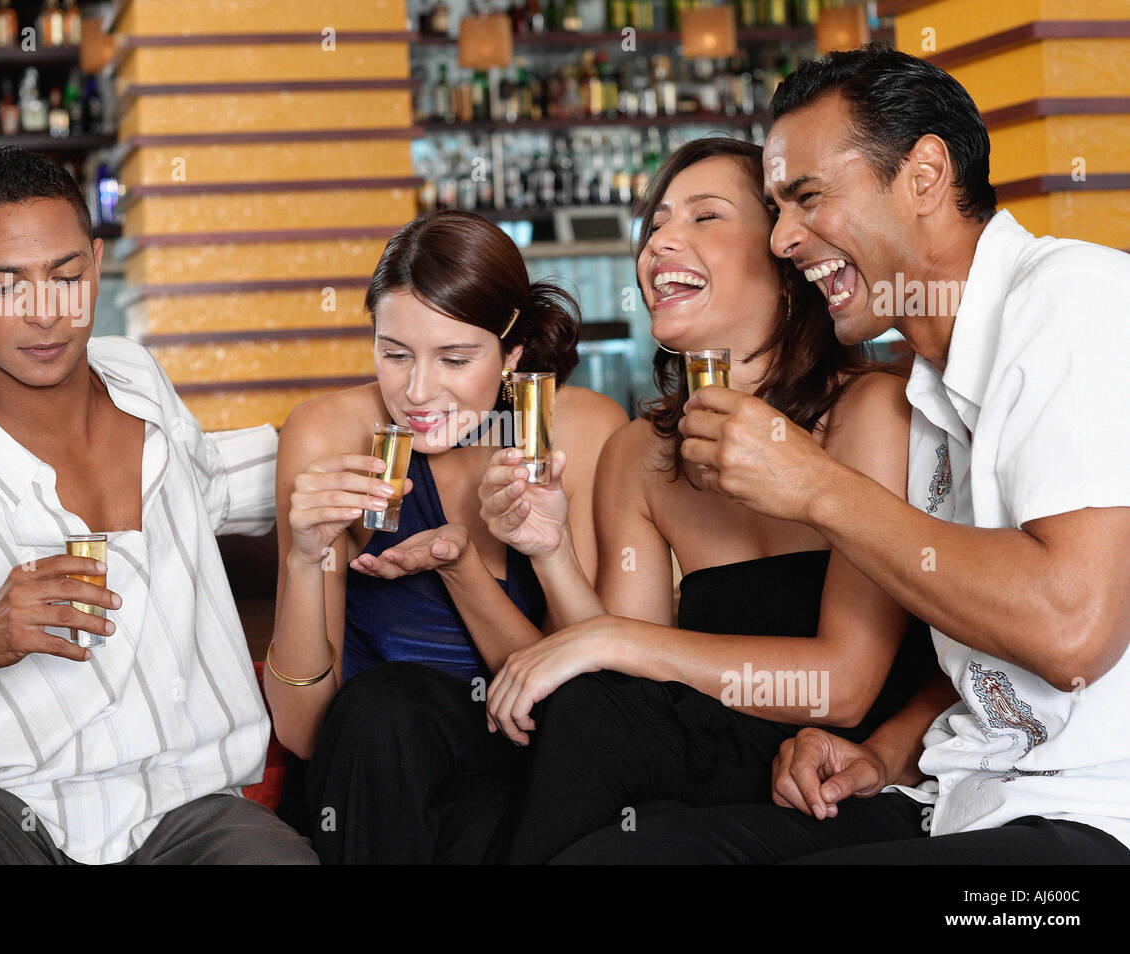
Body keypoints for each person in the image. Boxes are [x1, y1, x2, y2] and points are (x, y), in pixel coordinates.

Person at [603, 44, 1130, 864]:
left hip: (1096, 824)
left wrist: (816, 488)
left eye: (807, 198)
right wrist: (882, 754)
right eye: (775, 208)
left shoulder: (1072, 301)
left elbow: (1069, 630)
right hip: (959, 800)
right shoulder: (929, 384)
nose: (782, 239)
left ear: (923, 175)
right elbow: (991, 661)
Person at [0, 147, 315, 865]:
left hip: (187, 817)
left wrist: (395, 447)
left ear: (94, 264)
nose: (45, 313)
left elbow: (214, 479)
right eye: (5, 285)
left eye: (66, 276)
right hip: (5, 822)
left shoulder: (138, 380)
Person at [474, 136, 938, 865]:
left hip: (838, 769)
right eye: (656, 223)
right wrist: (551, 551)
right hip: (714, 747)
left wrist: (608, 641)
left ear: (788, 263)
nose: (662, 242)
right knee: (586, 717)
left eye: (704, 217)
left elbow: (842, 687)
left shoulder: (868, 414)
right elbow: (626, 683)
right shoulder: (641, 452)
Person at [265, 209, 627, 863]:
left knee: (487, 814)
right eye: (394, 354)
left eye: (455, 359)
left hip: (529, 767)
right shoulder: (328, 433)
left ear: (513, 352)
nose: (419, 391)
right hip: (373, 780)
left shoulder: (575, 430)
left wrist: (462, 573)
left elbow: (592, 705)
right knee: (387, 707)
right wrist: (303, 555)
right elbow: (302, 731)